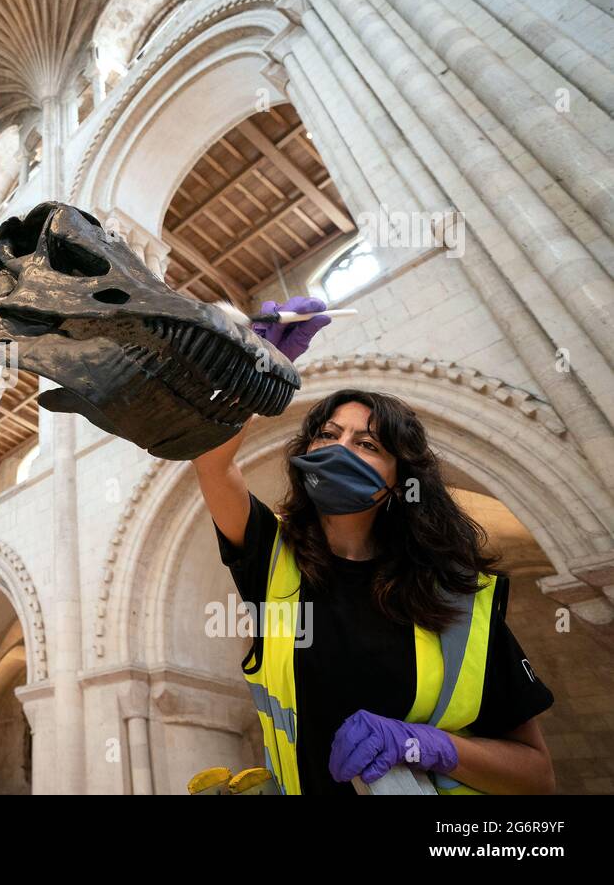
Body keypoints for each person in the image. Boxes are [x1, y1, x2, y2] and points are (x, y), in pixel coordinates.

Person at [192, 297, 556, 795]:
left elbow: (537, 776)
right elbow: (213, 464)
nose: (341, 448)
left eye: (367, 444)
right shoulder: (270, 559)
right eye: (328, 434)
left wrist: (427, 745)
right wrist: (258, 364)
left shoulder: (462, 601)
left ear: (399, 479)